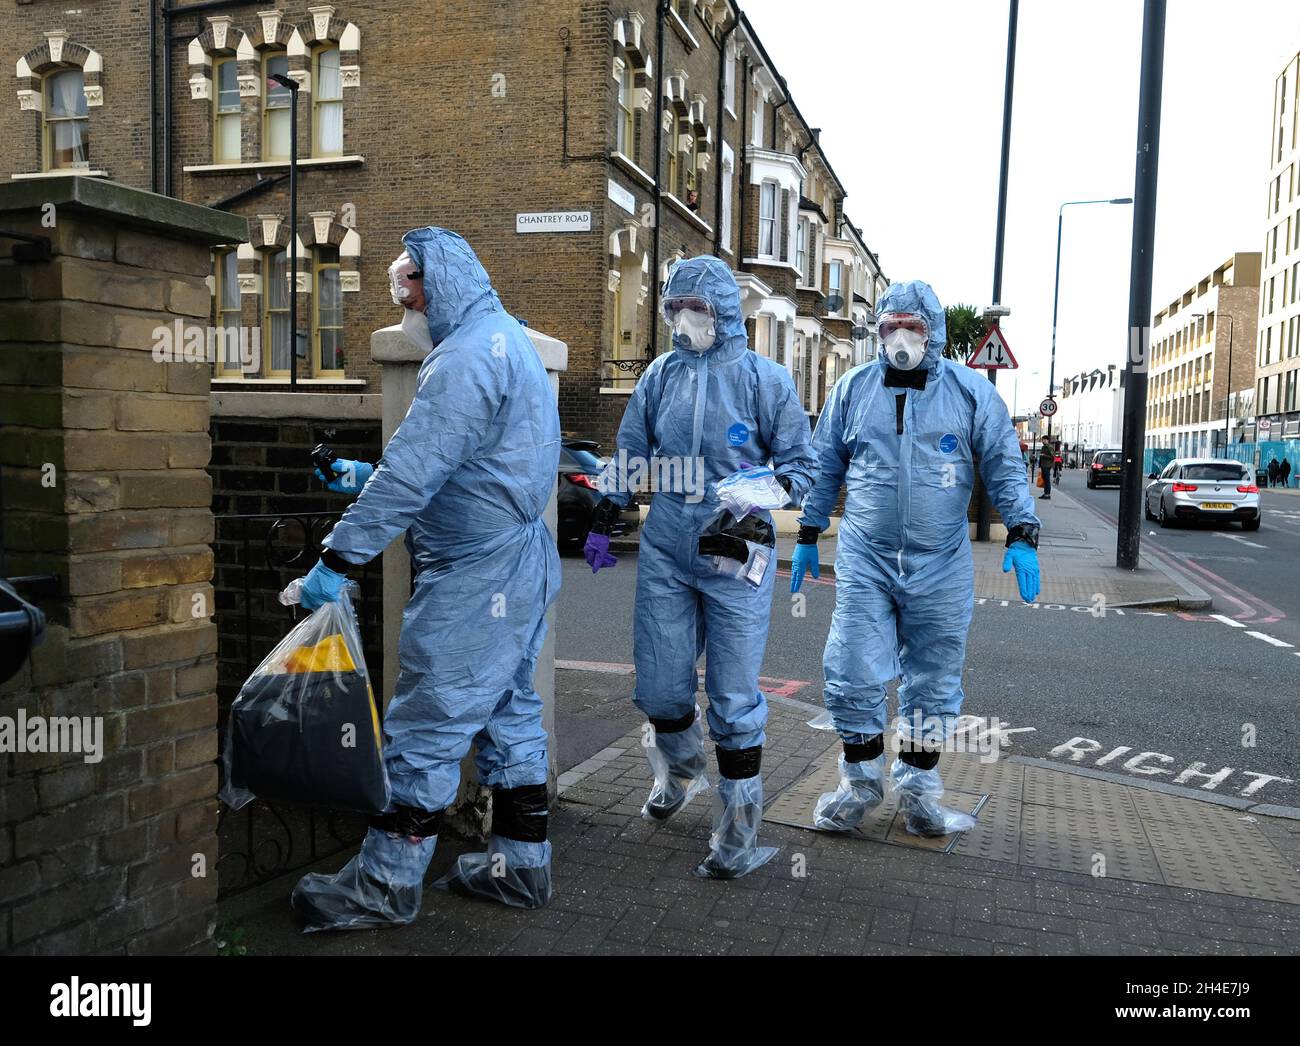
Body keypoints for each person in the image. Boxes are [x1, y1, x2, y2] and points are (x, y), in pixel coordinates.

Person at [287, 229, 562, 930]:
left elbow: (414, 474)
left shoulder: (466, 356)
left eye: (406, 285)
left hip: (476, 573)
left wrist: (336, 561)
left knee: (428, 722)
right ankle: (521, 866)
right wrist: (361, 474)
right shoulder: (504, 340)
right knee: (509, 713)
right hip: (516, 564)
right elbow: (468, 465)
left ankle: (385, 884)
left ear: (440, 282)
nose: (401, 301)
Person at [584, 255, 816, 879]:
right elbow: (632, 450)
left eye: (698, 308)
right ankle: (681, 773)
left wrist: (757, 490)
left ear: (724, 313)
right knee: (660, 686)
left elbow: (801, 468)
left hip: (737, 550)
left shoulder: (766, 380)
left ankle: (738, 831)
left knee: (734, 695)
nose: (685, 318)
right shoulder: (661, 375)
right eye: (676, 307)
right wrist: (606, 510)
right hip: (668, 545)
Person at [789, 280, 1041, 837]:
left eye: (913, 327)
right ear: (878, 331)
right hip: (866, 556)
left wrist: (1022, 531)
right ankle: (859, 784)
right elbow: (826, 463)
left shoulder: (970, 394)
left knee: (934, 676)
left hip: (941, 560)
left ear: (935, 333)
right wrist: (808, 529)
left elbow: (1003, 463)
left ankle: (919, 792)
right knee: (851, 668)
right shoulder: (854, 389)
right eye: (891, 326)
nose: (901, 337)